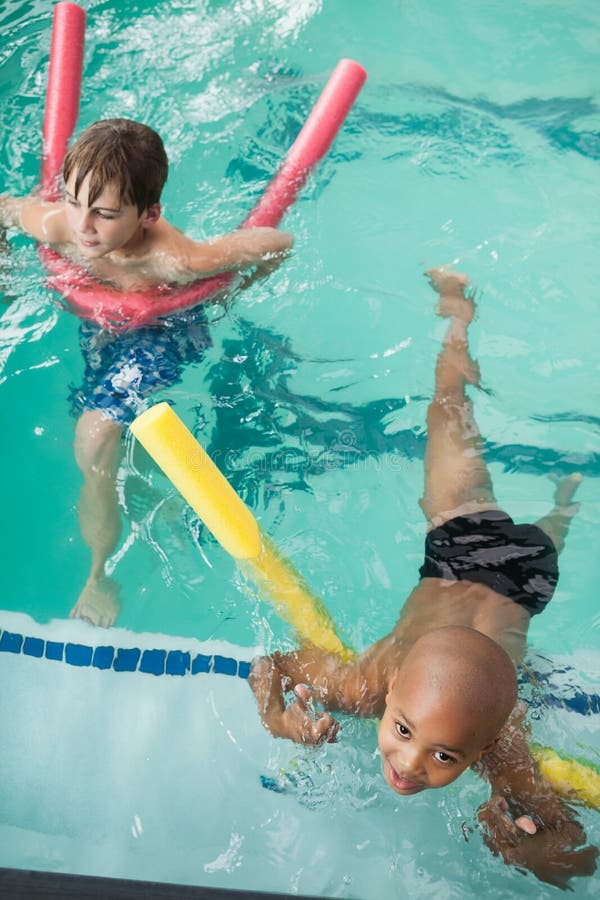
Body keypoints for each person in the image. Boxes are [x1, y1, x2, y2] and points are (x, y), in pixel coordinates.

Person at [249, 268, 597, 887]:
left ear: (485, 745)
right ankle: (457, 319)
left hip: (520, 581)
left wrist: (524, 845)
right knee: (448, 413)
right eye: (404, 729)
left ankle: (568, 499)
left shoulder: (502, 742)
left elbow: (575, 856)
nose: (408, 763)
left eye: (445, 756)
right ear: (390, 694)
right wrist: (279, 717)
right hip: (467, 552)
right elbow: (271, 667)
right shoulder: (367, 684)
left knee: (553, 528)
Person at [0, 118, 292, 626]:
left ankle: (98, 573)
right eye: (73, 201)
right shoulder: (61, 227)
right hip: (104, 323)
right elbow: (4, 209)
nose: (83, 225)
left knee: (94, 434)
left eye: (106, 214)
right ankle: (155, 497)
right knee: (104, 443)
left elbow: (278, 242)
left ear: (148, 214)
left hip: (164, 328)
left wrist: (231, 293)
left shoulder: (172, 259)